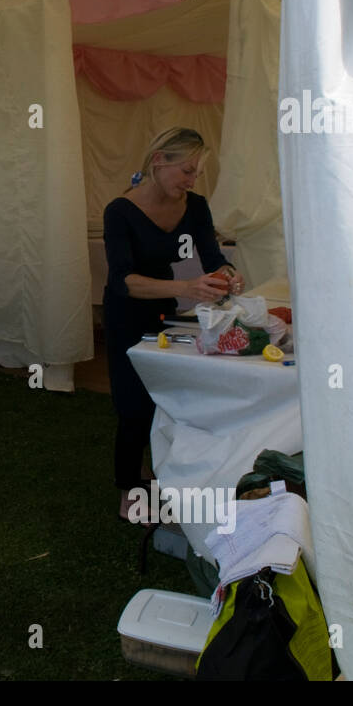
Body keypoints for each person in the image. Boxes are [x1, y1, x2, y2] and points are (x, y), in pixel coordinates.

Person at [102, 127, 242, 523]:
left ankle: (170, 474)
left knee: (172, 398)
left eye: (195, 172)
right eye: (186, 170)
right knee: (133, 406)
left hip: (168, 312)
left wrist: (228, 274)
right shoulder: (119, 211)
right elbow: (122, 281)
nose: (191, 180)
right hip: (126, 315)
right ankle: (129, 486)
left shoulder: (195, 206)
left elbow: (213, 256)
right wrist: (188, 286)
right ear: (158, 162)